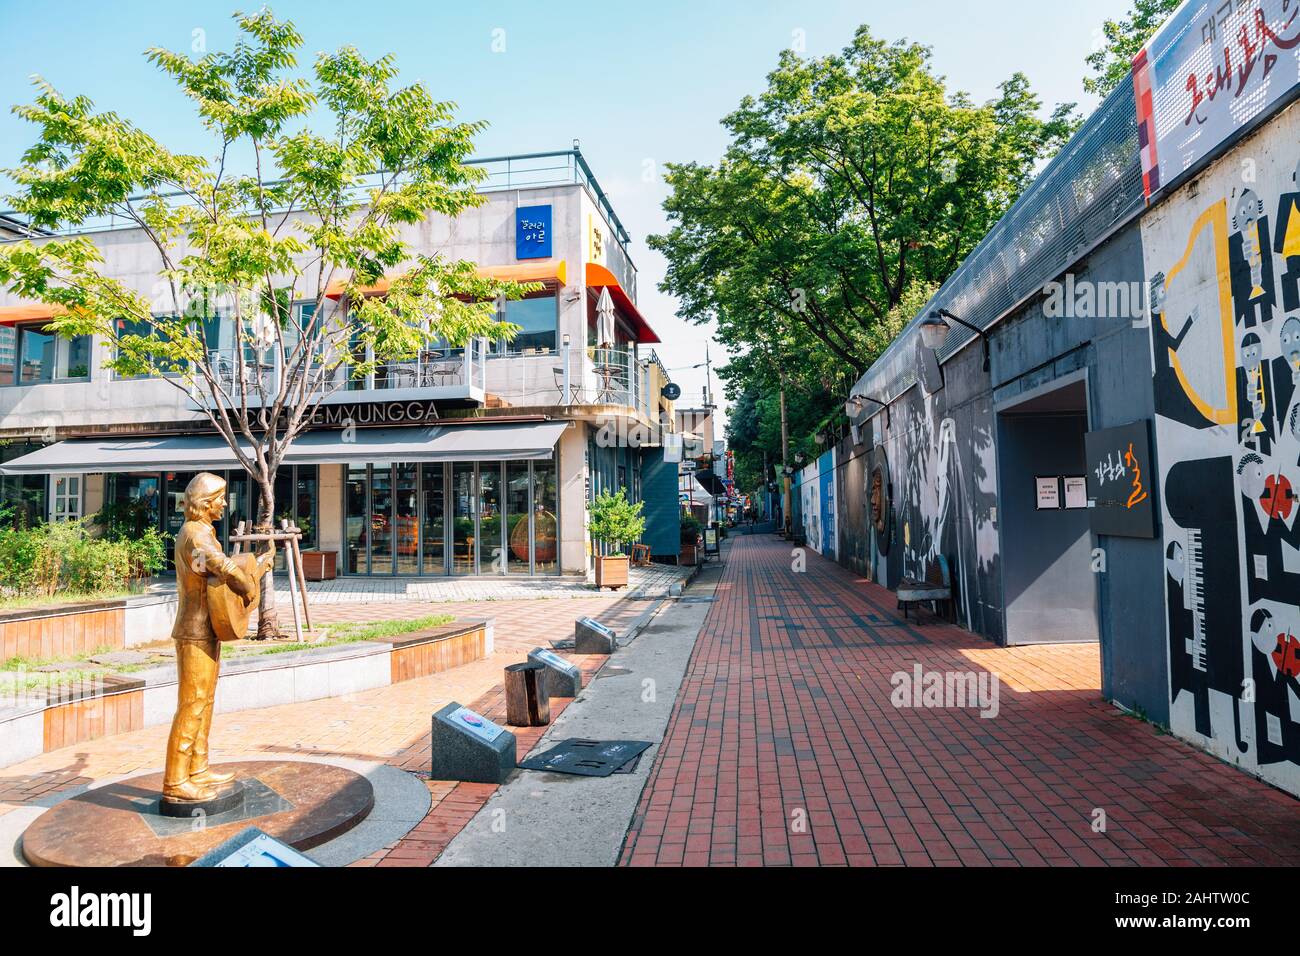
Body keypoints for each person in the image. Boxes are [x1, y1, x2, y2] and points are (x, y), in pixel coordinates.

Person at [162, 472, 275, 803]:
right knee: (192, 703)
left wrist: (255, 569)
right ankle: (175, 781)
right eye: (220, 498)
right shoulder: (195, 535)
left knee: (205, 702)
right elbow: (223, 567)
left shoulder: (203, 531)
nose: (225, 503)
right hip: (194, 630)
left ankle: (197, 769)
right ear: (205, 503)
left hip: (207, 628)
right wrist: (248, 582)